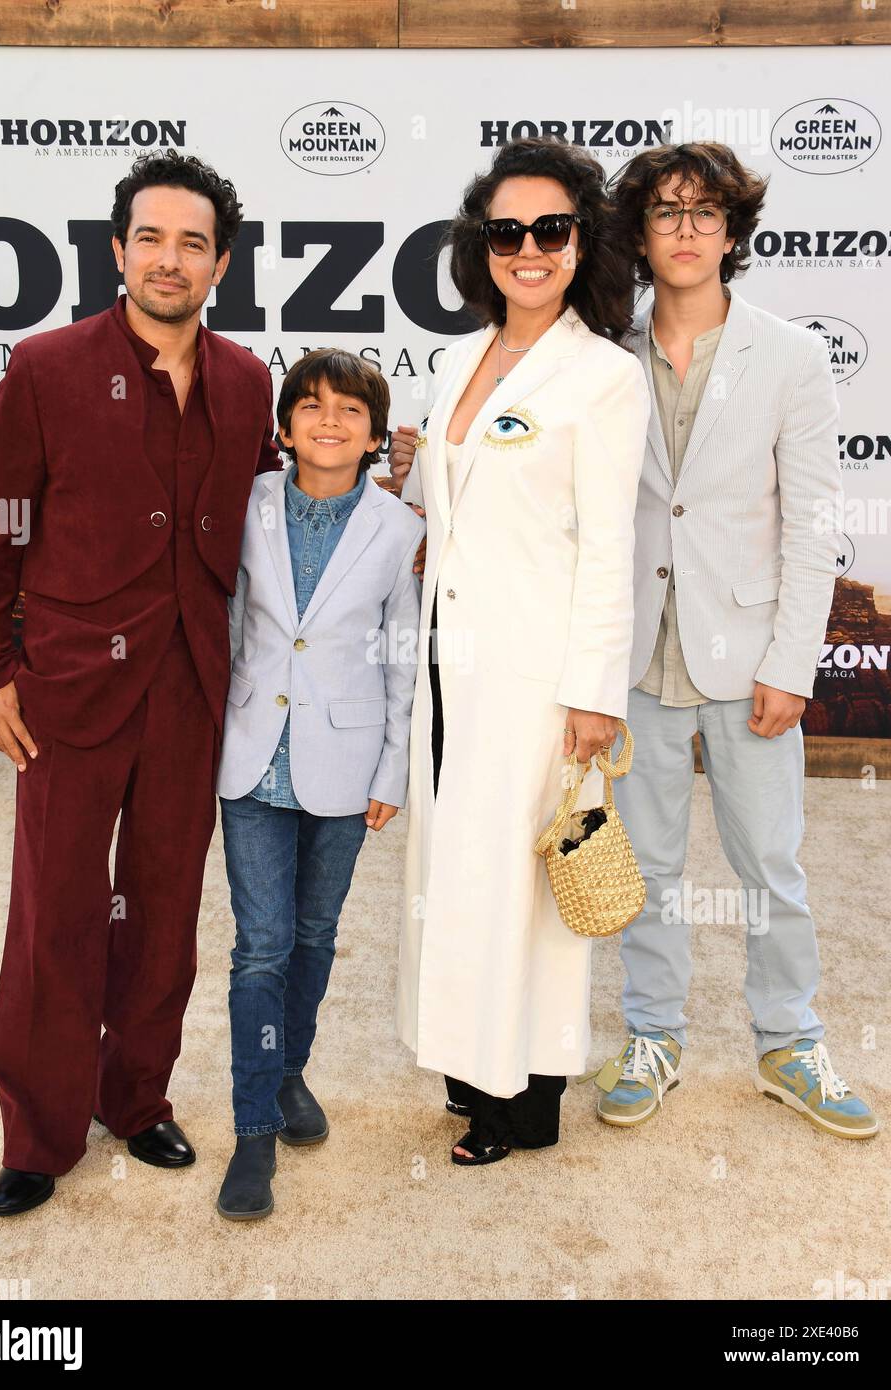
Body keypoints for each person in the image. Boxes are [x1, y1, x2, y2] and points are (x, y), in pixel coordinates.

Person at [0, 150, 282, 1217]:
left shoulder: (246, 380)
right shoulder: (47, 367)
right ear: (117, 251)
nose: (169, 259)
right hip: (65, 693)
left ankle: (135, 1100)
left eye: (193, 242)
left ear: (220, 263)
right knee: (56, 915)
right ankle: (39, 1134)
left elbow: (267, 517)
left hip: (193, 687)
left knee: (164, 911)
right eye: (151, 238)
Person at [593, 141, 877, 1137]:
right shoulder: (603, 355)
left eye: (703, 213)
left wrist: (791, 662)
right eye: (664, 213)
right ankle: (653, 1034)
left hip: (751, 653)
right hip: (634, 655)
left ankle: (790, 1040)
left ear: (731, 232)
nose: (684, 230)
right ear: (638, 233)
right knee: (648, 867)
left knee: (772, 864)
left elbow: (810, 523)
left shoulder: (791, 357)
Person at [391, 137, 650, 1165]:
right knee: (458, 872)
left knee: (523, 889)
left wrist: (594, 691)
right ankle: (470, 1066)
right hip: (450, 665)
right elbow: (459, 512)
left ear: (583, 242)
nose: (529, 248)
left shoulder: (602, 376)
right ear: (481, 243)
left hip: (540, 677)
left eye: (552, 229)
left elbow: (607, 546)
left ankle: (523, 1097)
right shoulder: (457, 356)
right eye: (508, 230)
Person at [215, 349, 424, 1218]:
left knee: (314, 936)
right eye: (310, 405)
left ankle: (289, 1066)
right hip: (251, 757)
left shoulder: (400, 528)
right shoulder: (246, 503)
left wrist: (395, 767)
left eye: (349, 410)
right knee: (260, 946)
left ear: (376, 435)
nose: (328, 421)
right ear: (285, 423)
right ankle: (255, 1125)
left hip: (347, 759)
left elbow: (403, 656)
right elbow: (226, 624)